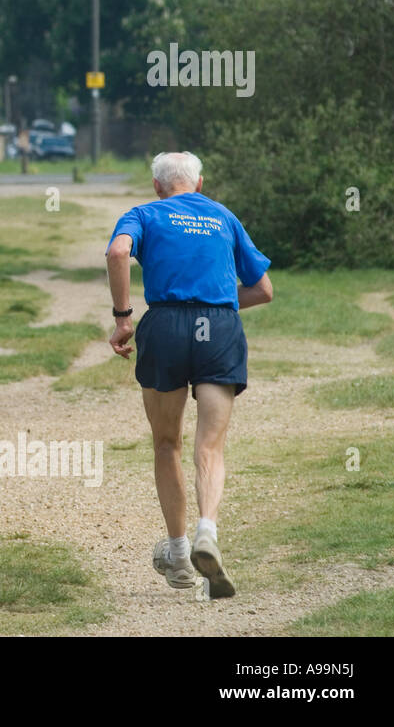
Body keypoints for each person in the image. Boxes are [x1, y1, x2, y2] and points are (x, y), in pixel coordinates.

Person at [105, 151, 273, 599]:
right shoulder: (223, 216)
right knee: (210, 446)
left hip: (165, 325)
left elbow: (118, 250)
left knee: (167, 444)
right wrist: (217, 300)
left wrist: (123, 318)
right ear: (199, 184)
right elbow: (263, 289)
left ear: (158, 186)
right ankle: (207, 532)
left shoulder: (143, 213)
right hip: (218, 327)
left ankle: (179, 557)